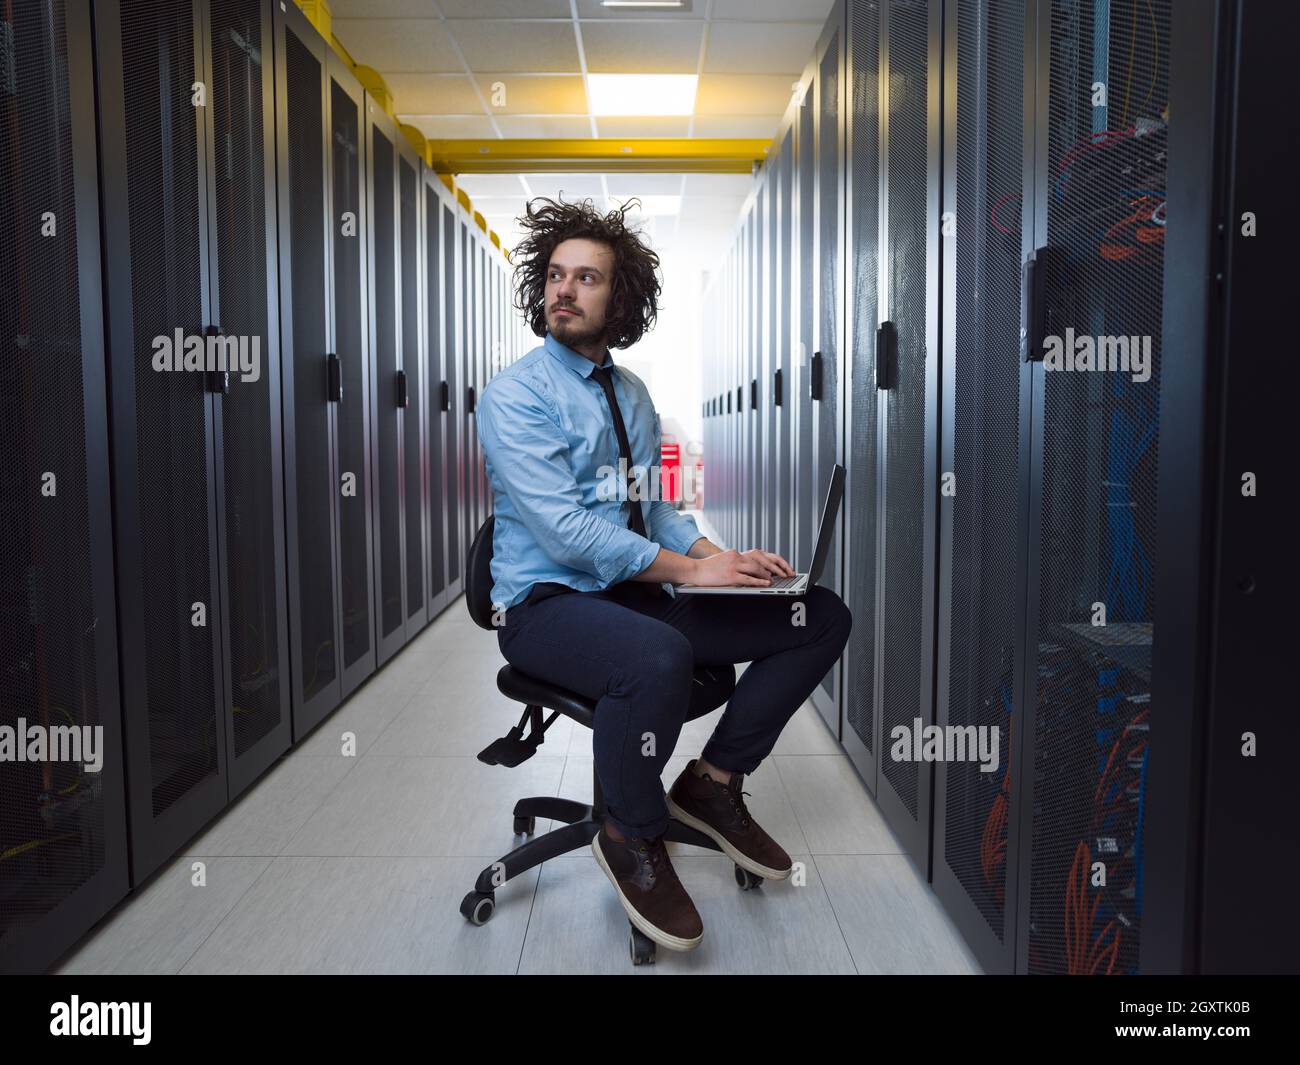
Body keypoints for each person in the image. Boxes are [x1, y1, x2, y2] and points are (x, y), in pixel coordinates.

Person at [476, 196, 852, 953]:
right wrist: (688, 573)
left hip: (629, 589)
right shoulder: (515, 395)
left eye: (586, 278)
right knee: (658, 655)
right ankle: (630, 830)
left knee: (820, 614)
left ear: (620, 299)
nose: (563, 290)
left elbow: (656, 512)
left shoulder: (633, 396)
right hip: (546, 604)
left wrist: (718, 558)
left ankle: (712, 782)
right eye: (555, 275)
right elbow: (569, 532)